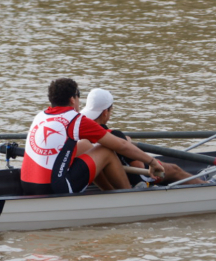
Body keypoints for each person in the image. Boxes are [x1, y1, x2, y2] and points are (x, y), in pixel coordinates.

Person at [20, 78, 165, 195]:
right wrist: (152, 162)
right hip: (55, 188)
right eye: (79, 96)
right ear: (72, 99)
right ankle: (128, 196)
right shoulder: (75, 119)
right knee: (106, 150)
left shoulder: (41, 116)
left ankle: (110, 192)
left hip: (27, 184)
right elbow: (121, 145)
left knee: (84, 145)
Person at [79, 88, 206, 187]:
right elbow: (139, 167)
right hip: (137, 178)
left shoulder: (80, 131)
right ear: (105, 112)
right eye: (111, 111)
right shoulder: (115, 135)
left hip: (100, 176)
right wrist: (125, 141)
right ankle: (207, 186)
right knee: (174, 169)